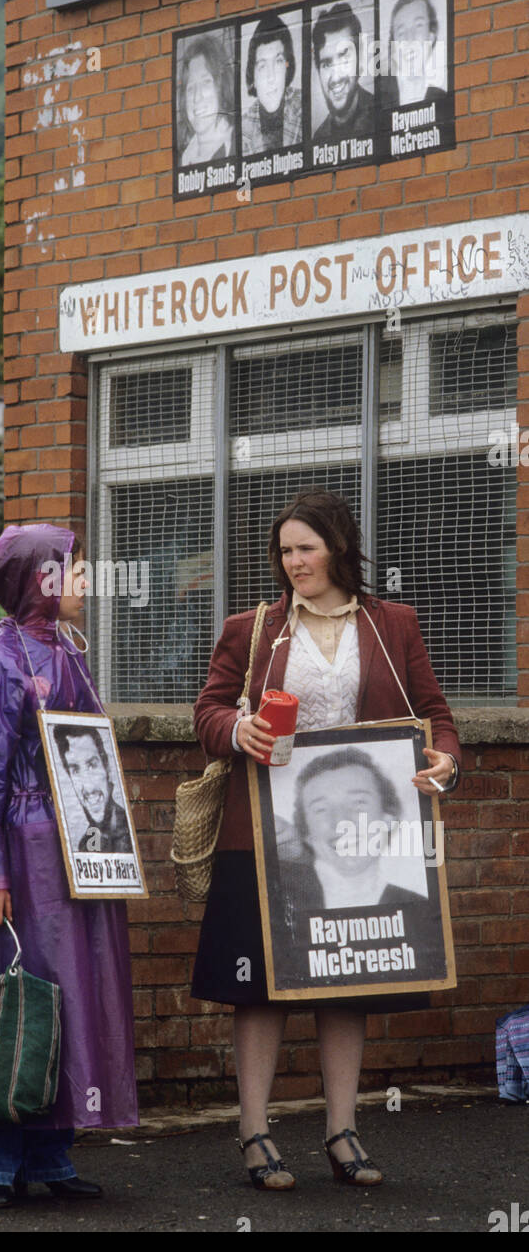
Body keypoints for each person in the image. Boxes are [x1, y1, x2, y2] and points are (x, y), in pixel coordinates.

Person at [190, 489, 460, 1190]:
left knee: (348, 982)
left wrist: (445, 762)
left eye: (305, 548)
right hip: (261, 834)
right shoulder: (254, 628)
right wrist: (235, 730)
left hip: (366, 833)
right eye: (284, 551)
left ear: (338, 547)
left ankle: (342, 1132)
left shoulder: (392, 623)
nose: (293, 562)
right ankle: (254, 1133)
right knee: (258, 992)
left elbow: (432, 714)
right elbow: (210, 708)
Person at [0, 523, 138, 1208]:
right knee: (20, 993)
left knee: (75, 995)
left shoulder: (69, 651)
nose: (83, 581)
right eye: (71, 570)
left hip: (82, 848)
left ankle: (52, 1153)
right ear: (37, 581)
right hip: (26, 855)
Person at [277, 748, 426, 911]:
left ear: (388, 818)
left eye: (358, 803)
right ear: (306, 833)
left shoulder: (419, 908)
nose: (341, 821)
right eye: (321, 809)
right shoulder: (278, 900)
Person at [53, 723, 133, 853]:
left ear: (106, 767)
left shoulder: (127, 834)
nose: (88, 788)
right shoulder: (86, 844)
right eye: (75, 770)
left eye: (92, 765)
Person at [312, 2, 375, 143]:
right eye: (326, 64)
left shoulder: (382, 117)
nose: (336, 77)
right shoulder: (318, 139)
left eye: (344, 57)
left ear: (360, 58)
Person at [241, 12, 302, 155]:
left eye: (278, 61)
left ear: (287, 67)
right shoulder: (242, 130)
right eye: (262, 66)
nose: (271, 77)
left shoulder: (304, 106)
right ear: (253, 77)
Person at [380, 0, 447, 110]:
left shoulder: (442, 100)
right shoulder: (378, 97)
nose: (409, 38)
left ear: (431, 36)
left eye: (418, 26)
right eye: (401, 32)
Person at [178, 34, 236, 166]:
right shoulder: (183, 159)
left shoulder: (239, 145)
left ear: (221, 87)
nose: (197, 97)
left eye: (206, 83)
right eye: (191, 88)